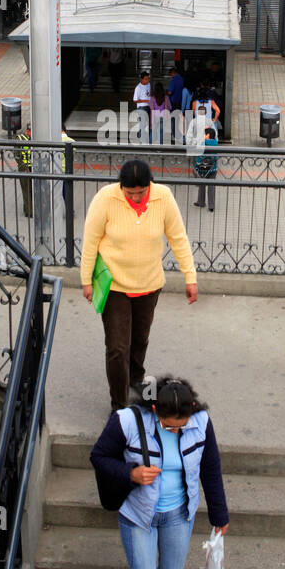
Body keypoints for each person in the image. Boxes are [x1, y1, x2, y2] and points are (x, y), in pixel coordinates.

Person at [90, 376, 229, 569]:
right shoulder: (126, 421)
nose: (175, 431)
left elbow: (210, 469)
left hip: (179, 515)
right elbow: (99, 457)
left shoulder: (201, 423)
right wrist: (131, 473)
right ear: (155, 411)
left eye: (180, 426)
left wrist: (220, 515)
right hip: (138, 517)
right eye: (168, 426)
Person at [81, 158, 198, 412]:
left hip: (149, 283)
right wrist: (86, 279)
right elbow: (91, 240)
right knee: (117, 348)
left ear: (149, 187)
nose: (135, 198)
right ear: (120, 187)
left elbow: (178, 238)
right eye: (130, 193)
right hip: (115, 285)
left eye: (140, 193)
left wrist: (190, 277)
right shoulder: (106, 198)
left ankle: (135, 377)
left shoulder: (163, 198)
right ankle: (119, 406)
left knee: (140, 340)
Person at [193, 126, 219, 211]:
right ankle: (211, 206)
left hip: (203, 168)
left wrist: (196, 165)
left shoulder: (202, 143)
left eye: (204, 134)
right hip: (213, 168)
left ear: (207, 135)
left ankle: (201, 202)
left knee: (202, 184)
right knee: (211, 186)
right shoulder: (216, 143)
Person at [16, 123, 33, 218]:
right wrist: (24, 167)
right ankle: (29, 211)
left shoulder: (35, 138)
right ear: (27, 131)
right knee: (26, 190)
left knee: (33, 189)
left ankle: (32, 208)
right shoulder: (20, 139)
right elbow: (17, 155)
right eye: (30, 131)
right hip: (24, 168)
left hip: (34, 168)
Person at [132, 70, 151, 143]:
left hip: (148, 107)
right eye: (146, 79)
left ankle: (143, 134)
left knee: (148, 123)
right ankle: (142, 141)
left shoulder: (149, 84)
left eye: (148, 78)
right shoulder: (138, 88)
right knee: (143, 123)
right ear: (141, 79)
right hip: (142, 108)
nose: (147, 80)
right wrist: (145, 101)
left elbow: (148, 94)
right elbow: (135, 100)